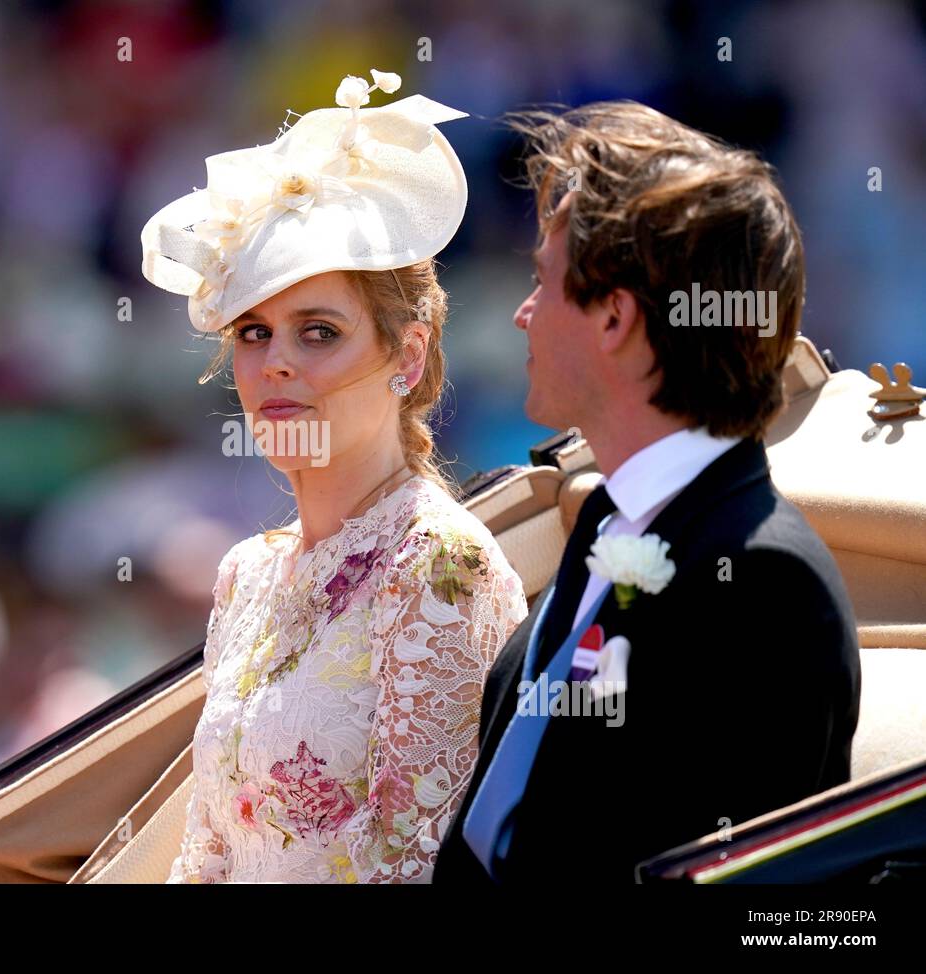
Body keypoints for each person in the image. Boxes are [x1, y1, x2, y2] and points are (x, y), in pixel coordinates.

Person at [433, 101, 862, 884]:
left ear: (614, 319)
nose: (523, 315)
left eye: (543, 283)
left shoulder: (762, 582)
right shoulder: (609, 522)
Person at [141, 70, 528, 883]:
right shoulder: (245, 575)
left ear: (408, 354)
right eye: (253, 333)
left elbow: (409, 869)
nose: (276, 362)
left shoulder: (438, 565)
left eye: (318, 332)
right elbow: (206, 854)